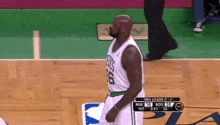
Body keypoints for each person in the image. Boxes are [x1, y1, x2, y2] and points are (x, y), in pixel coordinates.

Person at [99, 15, 145, 125]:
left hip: (129, 102)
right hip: (114, 96)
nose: (111, 27)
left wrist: (116, 109)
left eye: (114, 25)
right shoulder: (115, 42)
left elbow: (136, 86)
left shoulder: (130, 53)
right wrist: (109, 97)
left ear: (123, 30)